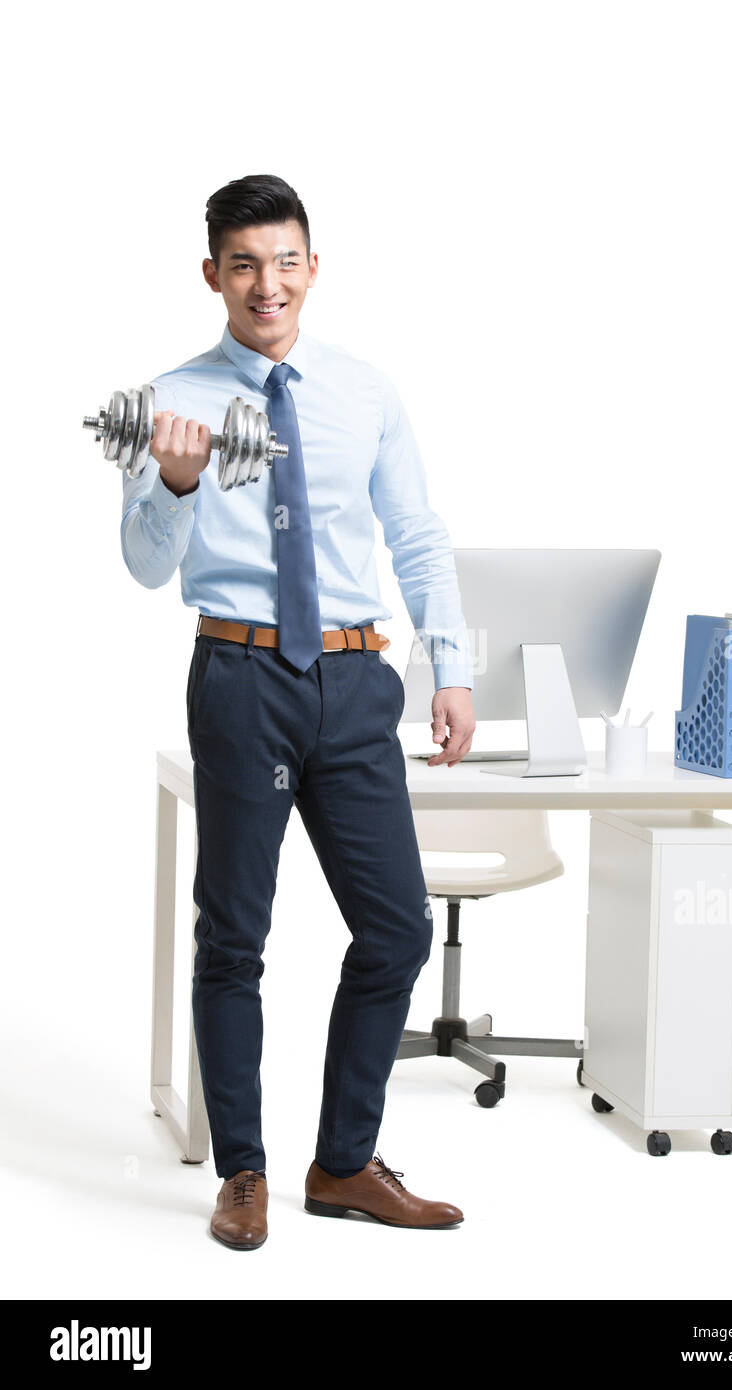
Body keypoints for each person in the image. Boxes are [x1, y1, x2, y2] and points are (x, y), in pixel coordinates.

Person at [120, 174, 476, 1247]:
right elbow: (142, 564)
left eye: (283, 261)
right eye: (242, 263)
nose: (265, 284)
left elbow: (413, 534)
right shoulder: (171, 397)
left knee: (398, 924)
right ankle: (243, 1172)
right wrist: (174, 489)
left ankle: (344, 1159)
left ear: (310, 267)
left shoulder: (363, 392)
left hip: (355, 680)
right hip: (239, 684)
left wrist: (447, 663)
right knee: (234, 935)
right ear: (212, 275)